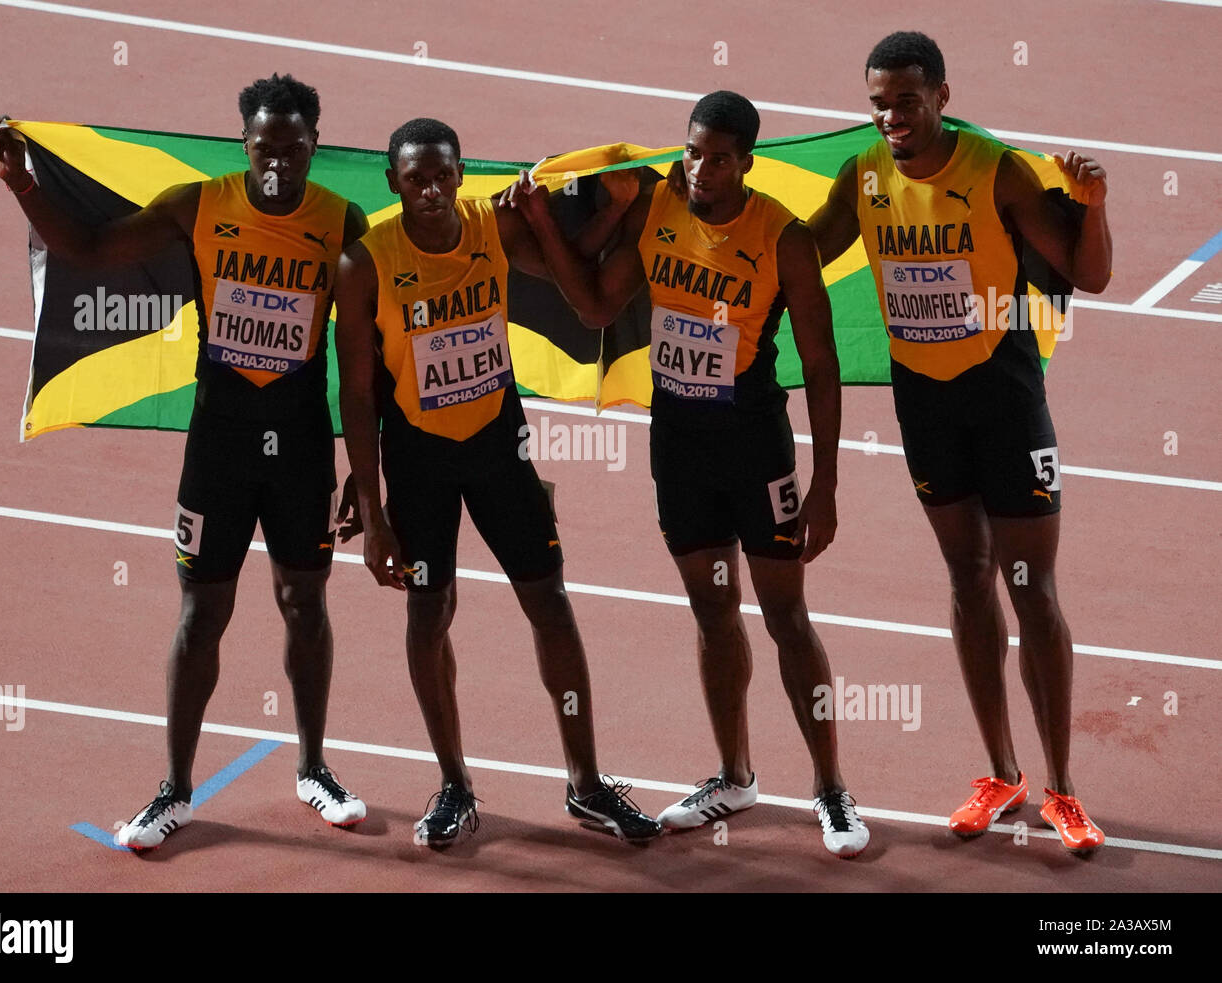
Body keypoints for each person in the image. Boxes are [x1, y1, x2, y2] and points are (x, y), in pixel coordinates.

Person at [0, 74, 371, 849]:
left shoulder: (343, 222)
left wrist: (370, 466)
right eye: (265, 149)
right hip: (219, 443)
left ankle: (314, 767)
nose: (278, 165)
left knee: (306, 603)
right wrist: (22, 182)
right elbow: (90, 246)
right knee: (201, 615)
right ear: (244, 144)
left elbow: (366, 355)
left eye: (294, 150)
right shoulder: (199, 206)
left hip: (300, 446)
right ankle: (174, 789)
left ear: (315, 147)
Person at [504, 91, 870, 857]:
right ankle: (734, 776)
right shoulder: (657, 206)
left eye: (720, 158)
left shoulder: (783, 238)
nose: (701, 169)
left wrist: (827, 483)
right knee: (712, 612)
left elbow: (825, 367)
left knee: (785, 617)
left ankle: (832, 789)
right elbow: (599, 304)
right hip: (677, 443)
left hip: (754, 443)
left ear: (747, 162)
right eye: (694, 151)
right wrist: (540, 219)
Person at [806, 32, 1111, 853]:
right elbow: (799, 250)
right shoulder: (863, 175)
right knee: (968, 574)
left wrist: (1092, 205)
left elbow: (1089, 274)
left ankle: (1063, 788)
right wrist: (684, 220)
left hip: (1005, 395)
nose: (891, 117)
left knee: (1031, 587)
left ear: (942, 94)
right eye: (877, 103)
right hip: (926, 404)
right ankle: (999, 771)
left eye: (906, 100)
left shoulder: (993, 168)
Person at [333, 117, 663, 847]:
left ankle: (586, 783)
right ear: (393, 182)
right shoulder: (366, 262)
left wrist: (607, 208)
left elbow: (572, 266)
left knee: (550, 600)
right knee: (429, 611)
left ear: (459, 175)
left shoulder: (490, 223)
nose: (430, 189)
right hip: (418, 457)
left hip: (498, 444)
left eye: (442, 174)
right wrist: (372, 507)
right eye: (415, 177)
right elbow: (355, 393)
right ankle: (453, 782)